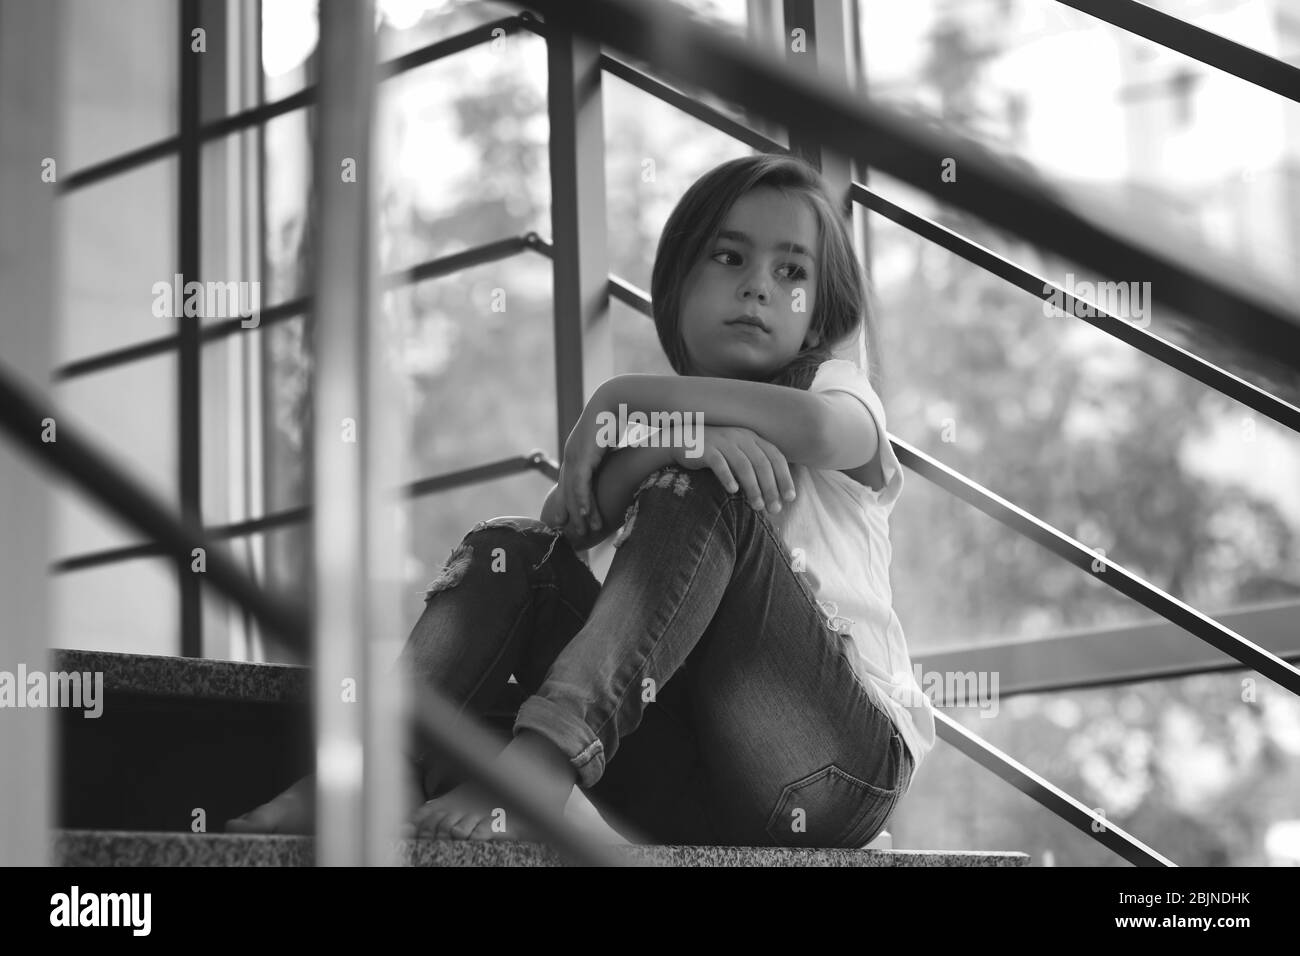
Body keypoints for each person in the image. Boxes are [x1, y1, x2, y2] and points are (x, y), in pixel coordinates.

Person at [227, 152, 936, 848]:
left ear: (815, 320)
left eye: (791, 272)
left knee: (699, 485)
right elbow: (559, 533)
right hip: (689, 788)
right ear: (678, 286)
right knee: (506, 548)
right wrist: (672, 440)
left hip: (834, 766)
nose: (758, 287)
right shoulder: (671, 446)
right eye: (729, 258)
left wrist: (623, 397)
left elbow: (817, 432)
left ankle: (539, 762)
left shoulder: (834, 386)